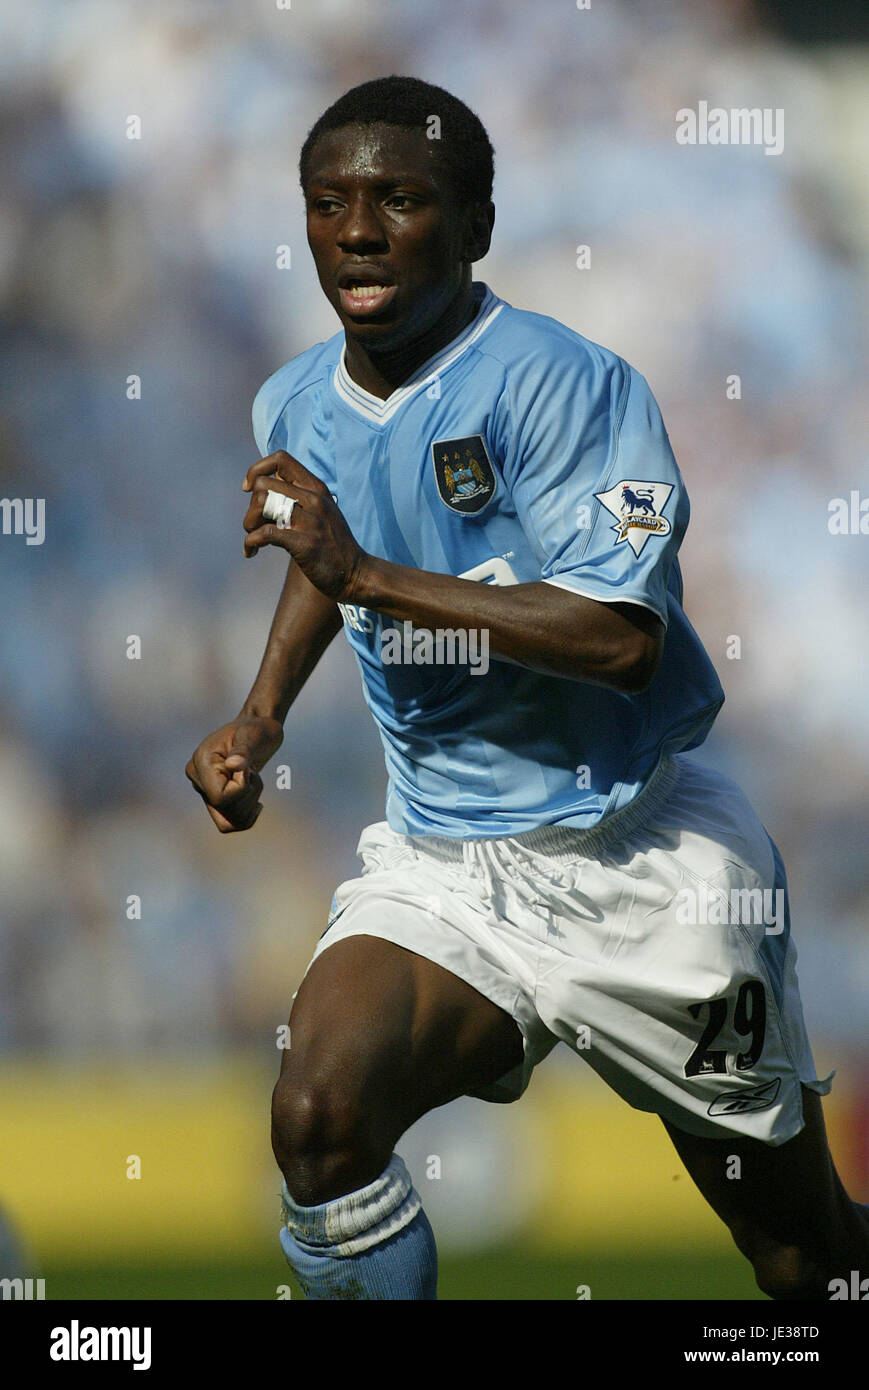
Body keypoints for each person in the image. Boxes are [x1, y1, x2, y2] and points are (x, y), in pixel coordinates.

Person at [186, 76, 868, 1300]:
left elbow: (620, 639)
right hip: (446, 870)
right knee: (317, 1117)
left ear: (475, 223)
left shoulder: (566, 384)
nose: (356, 229)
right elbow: (326, 562)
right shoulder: (289, 399)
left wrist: (370, 574)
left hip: (643, 867)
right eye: (329, 201)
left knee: (801, 1261)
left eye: (399, 199)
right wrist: (260, 714)